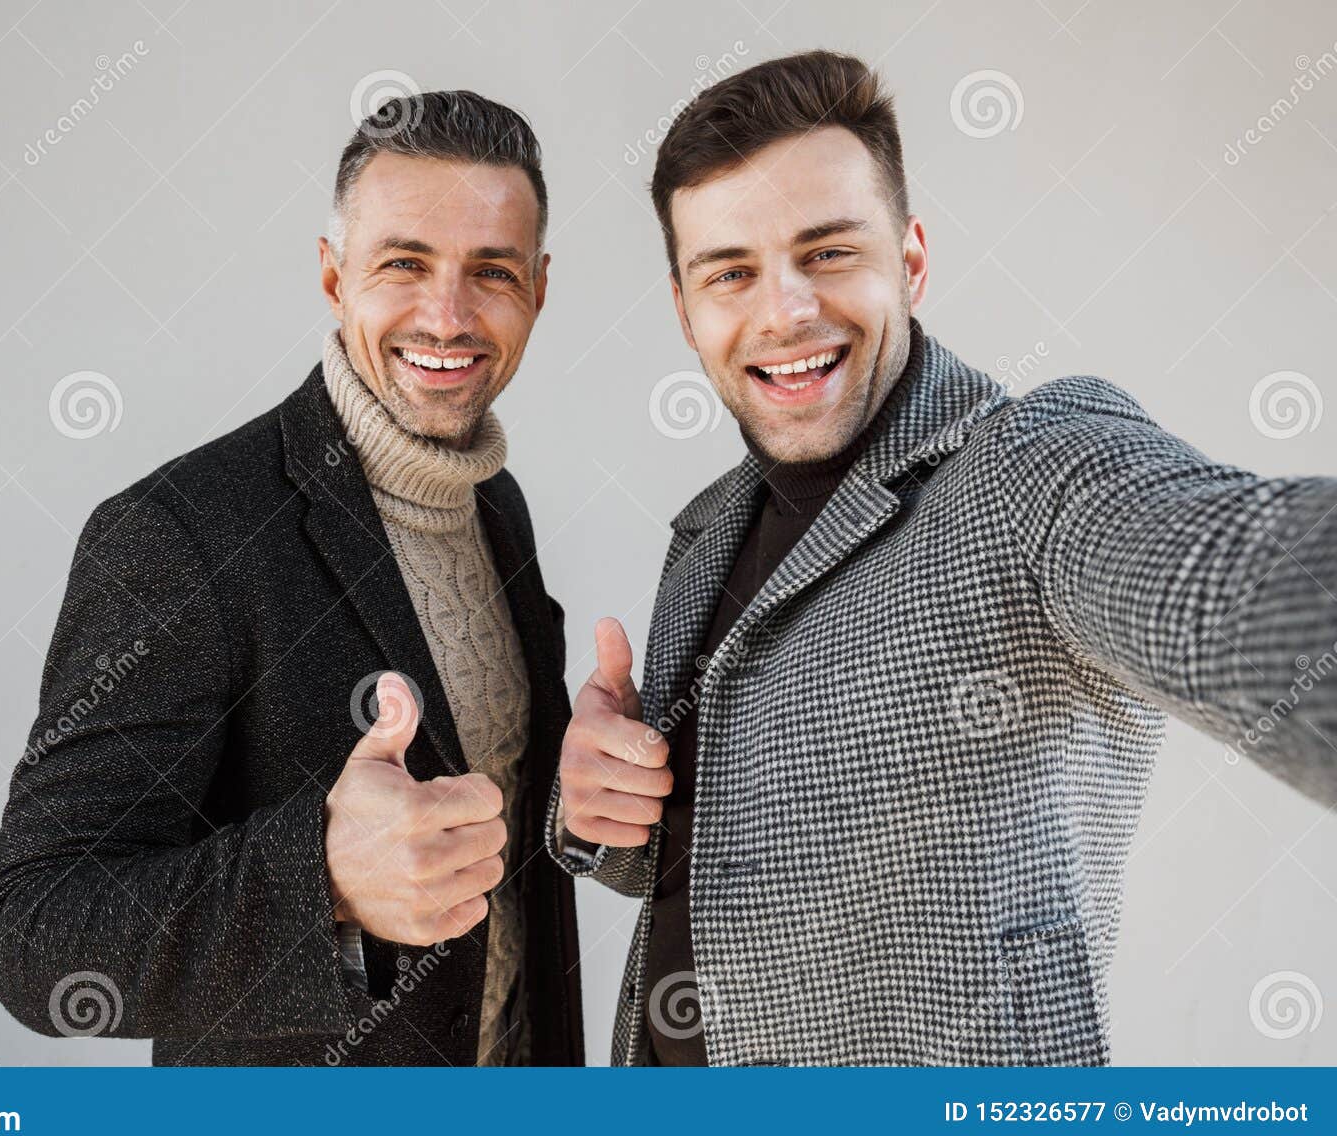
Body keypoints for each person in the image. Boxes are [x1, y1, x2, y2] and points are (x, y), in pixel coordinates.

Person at [550, 49, 1337, 1066]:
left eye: (828, 252)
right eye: (730, 271)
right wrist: (597, 813)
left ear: (910, 259)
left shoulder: (1029, 465)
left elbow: (1228, 577)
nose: (783, 309)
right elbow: (700, 863)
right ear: (684, 309)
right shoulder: (705, 533)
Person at [0, 89, 582, 1066]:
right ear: (332, 274)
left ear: (539, 289)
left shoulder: (495, 506)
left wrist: (598, 776)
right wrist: (323, 878)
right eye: (404, 263)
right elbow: (36, 932)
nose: (447, 312)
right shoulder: (181, 532)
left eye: (492, 271)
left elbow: (500, 817)